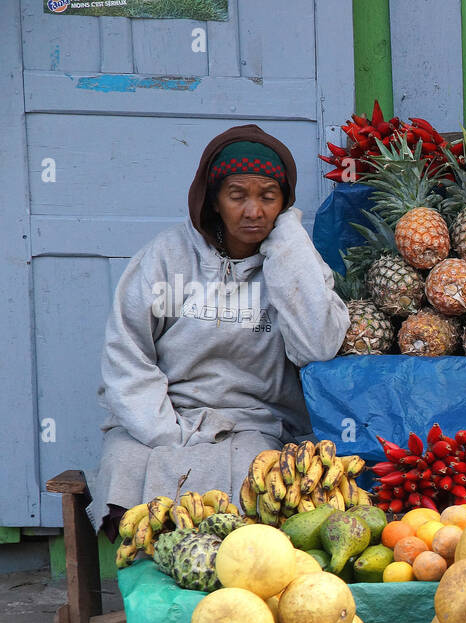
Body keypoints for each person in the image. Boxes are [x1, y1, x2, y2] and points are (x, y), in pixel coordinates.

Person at [90, 125, 350, 538]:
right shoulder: (167, 257)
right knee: (125, 471)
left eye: (268, 197)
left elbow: (318, 346)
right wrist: (169, 433)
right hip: (165, 417)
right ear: (213, 199)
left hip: (258, 423)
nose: (253, 211)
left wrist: (287, 244)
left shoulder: (295, 258)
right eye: (237, 195)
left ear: (284, 202)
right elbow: (127, 355)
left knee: (255, 496)